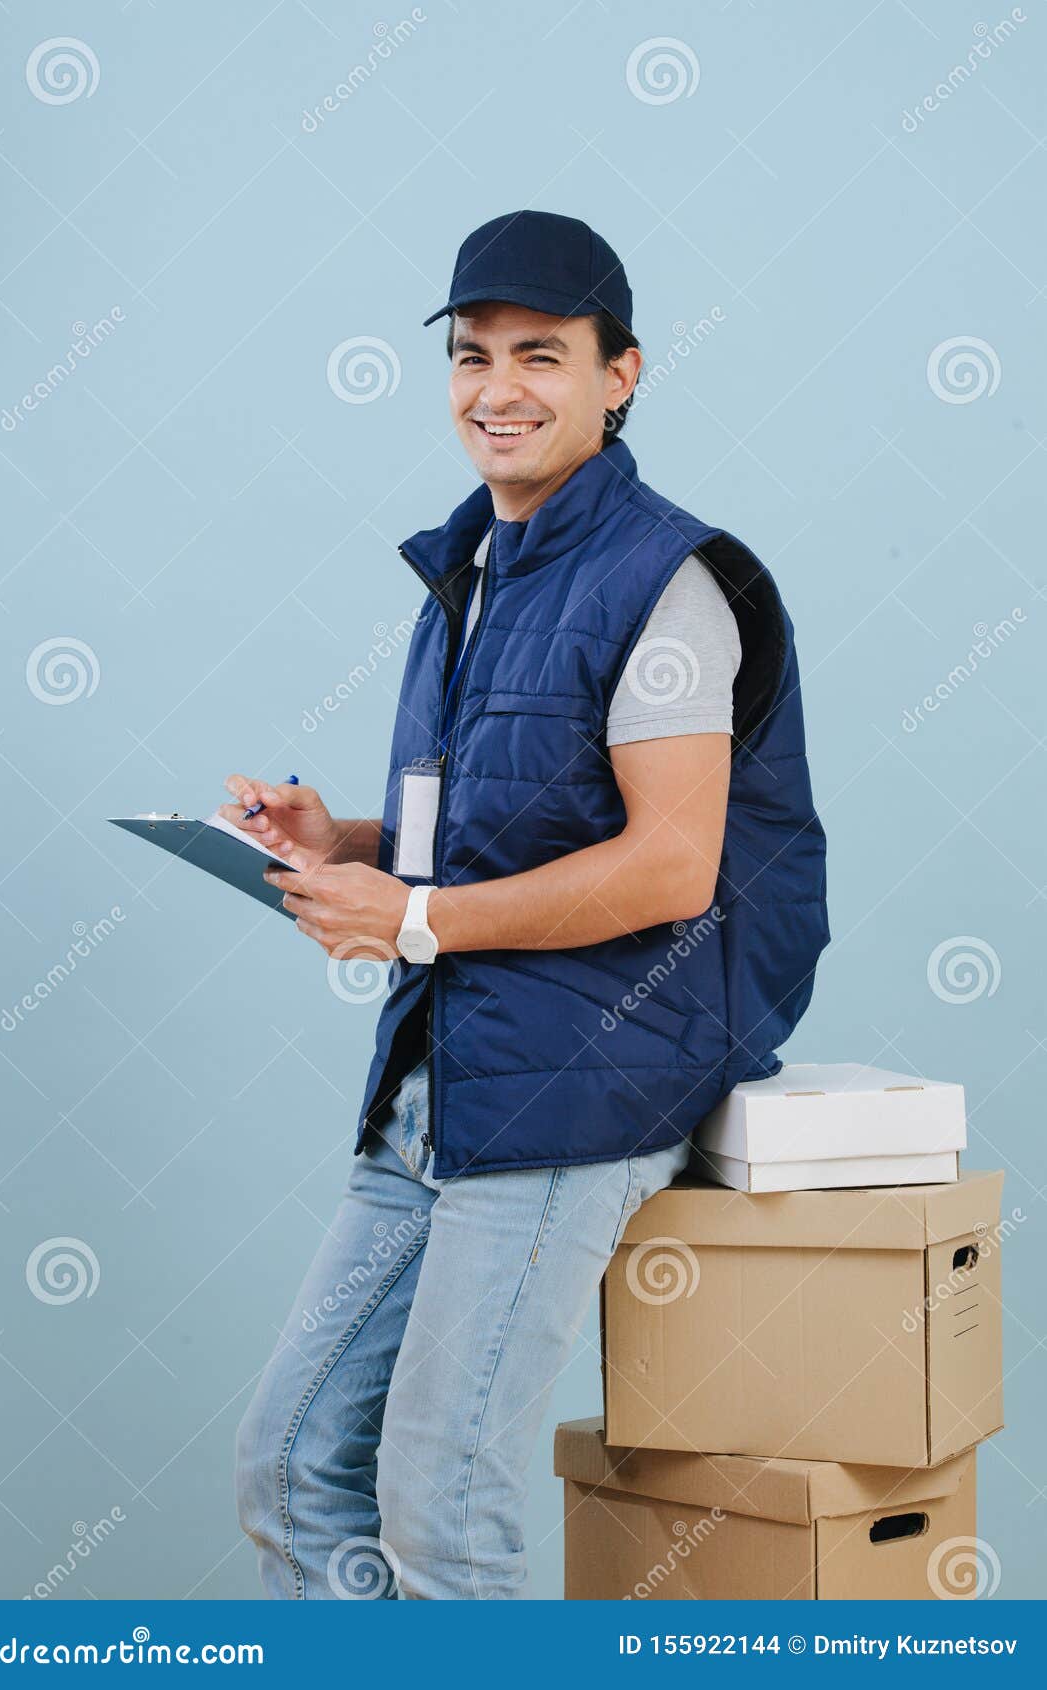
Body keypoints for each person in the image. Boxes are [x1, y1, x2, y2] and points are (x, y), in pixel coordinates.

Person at [230, 210, 829, 1599]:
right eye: (473, 355)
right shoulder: (472, 568)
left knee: (442, 1502)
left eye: (542, 356)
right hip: (446, 1069)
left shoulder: (672, 581)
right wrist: (349, 840)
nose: (497, 387)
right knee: (293, 1463)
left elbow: (672, 863)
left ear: (622, 375)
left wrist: (415, 920)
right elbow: (502, 827)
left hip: (585, 1079)